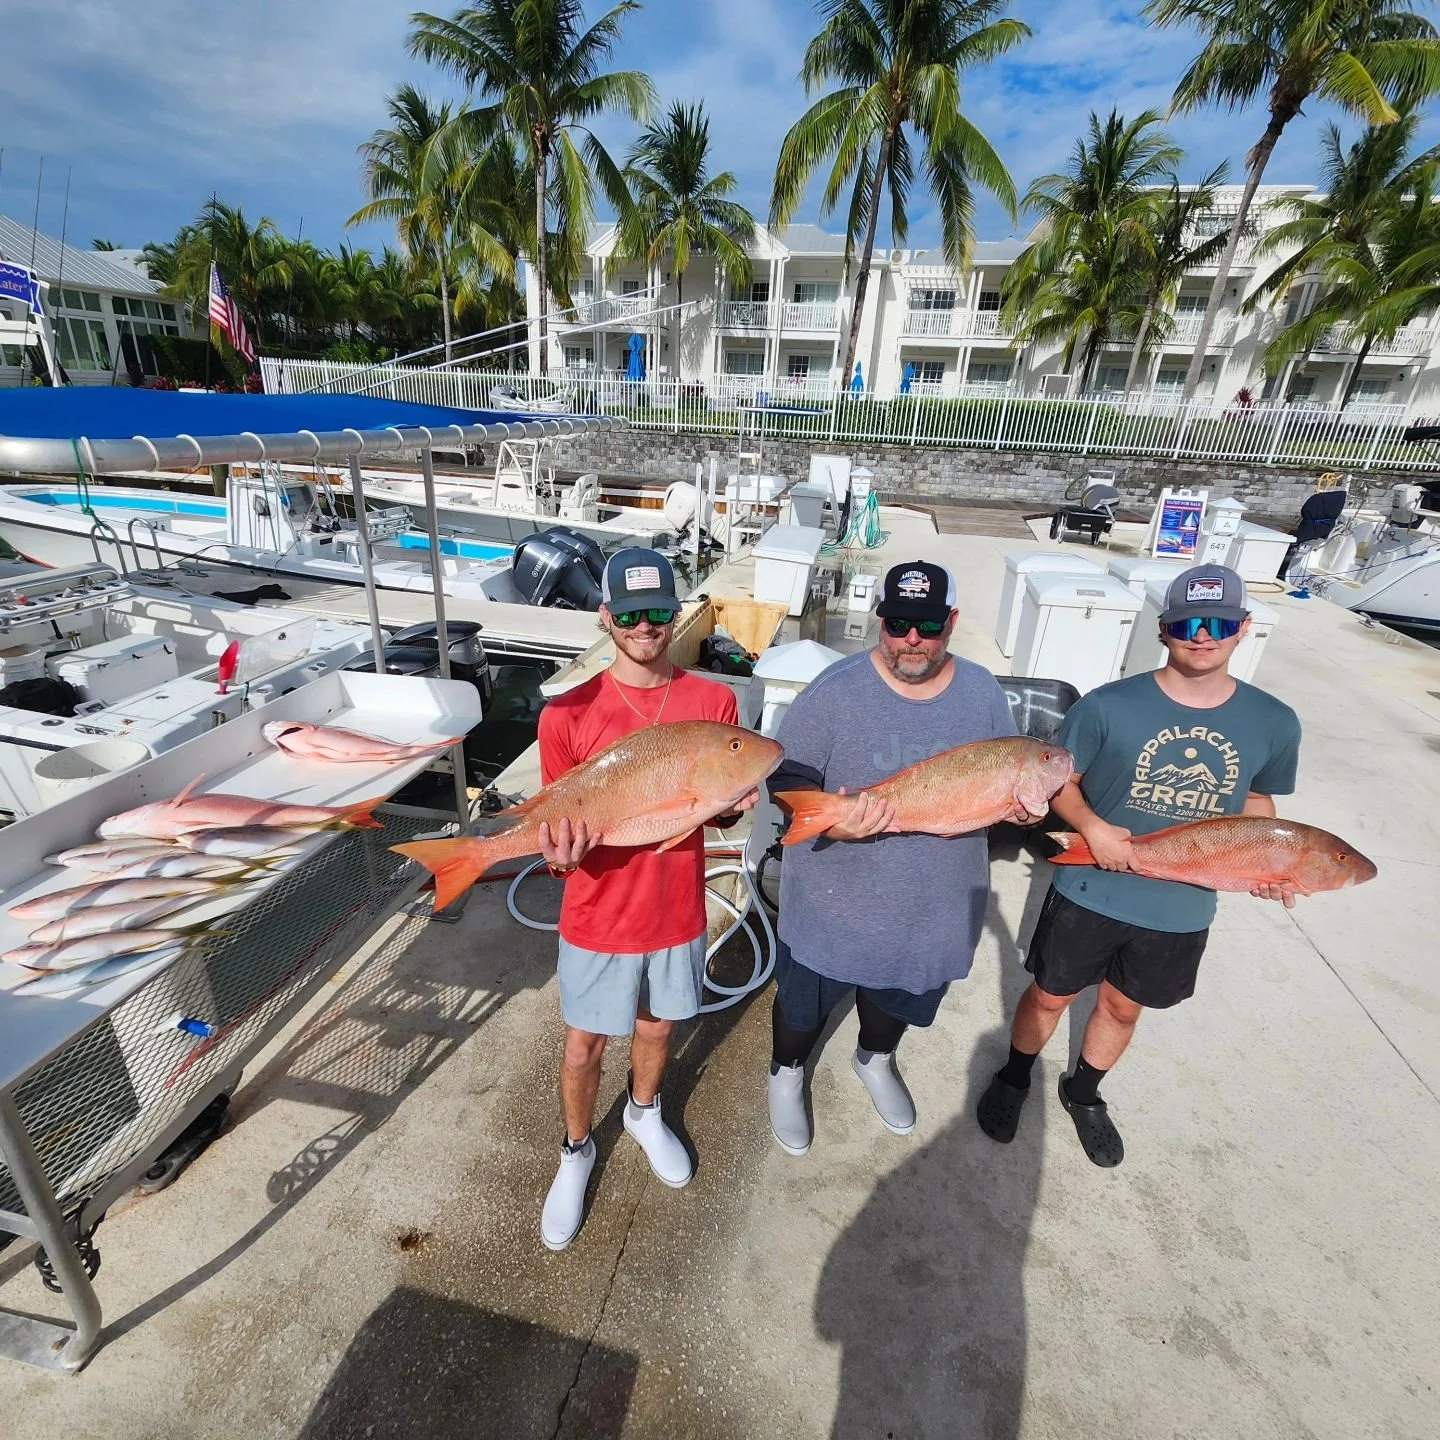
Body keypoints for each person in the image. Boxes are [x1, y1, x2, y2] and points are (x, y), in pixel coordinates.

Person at [977, 563, 1303, 1168]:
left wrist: (1264, 863)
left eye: (1219, 622)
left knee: (1124, 1006)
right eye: (1187, 622)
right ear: (1163, 628)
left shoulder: (1274, 721)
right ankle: (1016, 1074)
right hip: (1090, 887)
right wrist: (1092, 826)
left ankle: (1084, 1091)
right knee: (1050, 995)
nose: (1202, 635)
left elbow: (1258, 803)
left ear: (1244, 628)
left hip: (1182, 902)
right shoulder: (1107, 705)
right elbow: (1060, 783)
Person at [765, 560, 1036, 1155]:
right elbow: (787, 779)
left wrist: (1016, 805)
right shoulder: (833, 691)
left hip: (932, 910)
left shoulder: (984, 691)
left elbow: (1006, 771)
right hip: (831, 904)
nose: (912, 638)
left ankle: (875, 1058)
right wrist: (834, 818)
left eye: (929, 625)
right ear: (879, 621)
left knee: (898, 1002)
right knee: (801, 1006)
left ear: (951, 623)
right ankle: (786, 1073)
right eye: (899, 623)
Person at [535, 548, 759, 1250]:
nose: (644, 625)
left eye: (658, 611)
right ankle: (576, 1151)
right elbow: (554, 833)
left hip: (675, 910)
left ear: (675, 615)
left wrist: (729, 809)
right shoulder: (565, 716)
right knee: (583, 1047)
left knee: (659, 1029)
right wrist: (556, 859)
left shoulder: (713, 703)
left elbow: (716, 810)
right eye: (629, 613)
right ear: (605, 616)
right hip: (597, 914)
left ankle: (642, 1111)